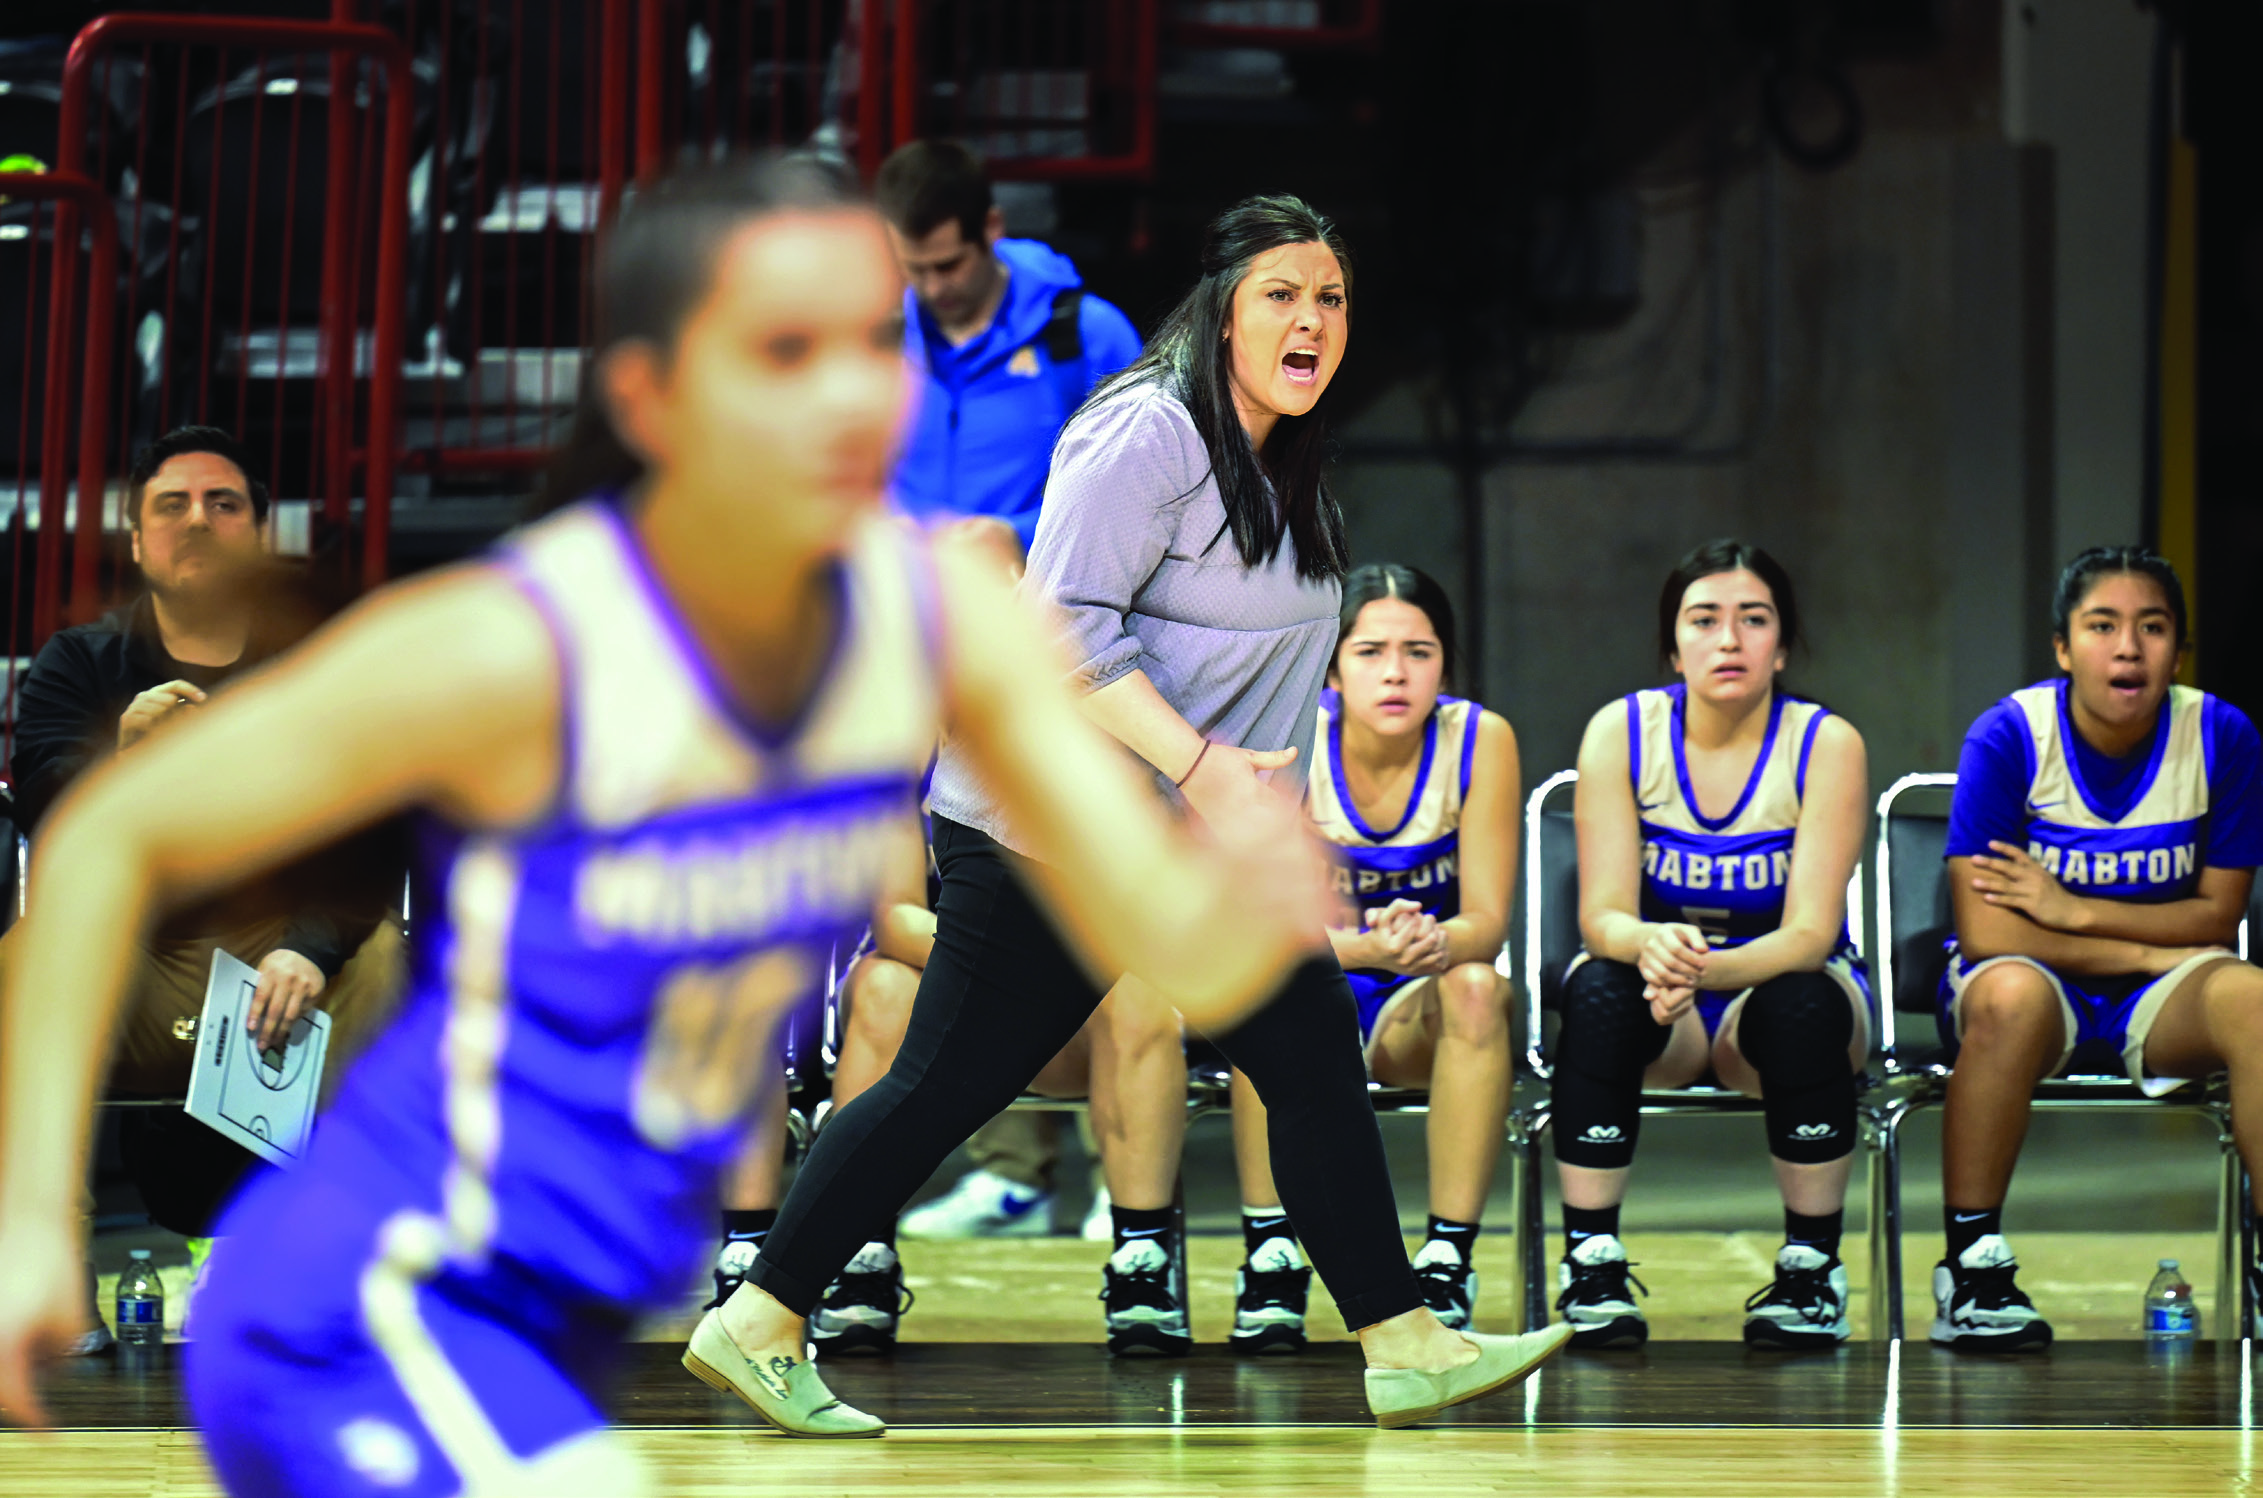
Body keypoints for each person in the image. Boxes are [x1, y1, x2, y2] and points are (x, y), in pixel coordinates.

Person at [0, 156, 1335, 1493]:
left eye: (870, 347)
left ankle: (766, 1312)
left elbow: (1145, 906)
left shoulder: (944, 624)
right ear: (656, 397)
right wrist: (28, 1212)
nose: (847, 395)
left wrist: (1241, 879)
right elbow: (107, 843)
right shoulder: (506, 644)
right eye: (784, 353)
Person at [704, 192, 1573, 1433]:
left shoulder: (1285, 459)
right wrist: (1203, 766)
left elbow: (1256, 671)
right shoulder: (1145, 430)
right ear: (1221, 311)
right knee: (943, 1085)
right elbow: (1062, 626)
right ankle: (758, 1316)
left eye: (1330, 298)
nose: (1312, 319)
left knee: (1308, 1051)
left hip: (1180, 845)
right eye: (1281, 294)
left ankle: (1401, 1338)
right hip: (1049, 830)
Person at [6, 425, 406, 1352]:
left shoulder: (320, 659)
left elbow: (375, 821)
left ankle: (344, 1274)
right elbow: (42, 818)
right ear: (137, 538)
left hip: (282, 948)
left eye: (223, 504)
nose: (197, 521)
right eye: (171, 505)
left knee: (383, 958)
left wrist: (310, 946)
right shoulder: (81, 662)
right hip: (137, 958)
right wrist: (121, 759)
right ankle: (49, 1278)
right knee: (20, 964)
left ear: (258, 533)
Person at [1933, 546, 2263, 1351]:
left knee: (2253, 998)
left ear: (2176, 652)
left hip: (2164, 988)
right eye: (2101, 626)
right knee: (2007, 995)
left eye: (2151, 628)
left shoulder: (2221, 734)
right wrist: (2143, 952)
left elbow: (2217, 915)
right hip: (2036, 978)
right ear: (2061, 647)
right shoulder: (2007, 735)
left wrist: (2071, 910)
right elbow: (1986, 933)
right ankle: (1971, 1270)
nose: (2127, 649)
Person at [1551, 540, 1870, 1350]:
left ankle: (1810, 1268)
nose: (1728, 639)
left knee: (1802, 1005)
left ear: (1782, 645)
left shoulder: (1826, 742)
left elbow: (1809, 935)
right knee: (1595, 990)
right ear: (1671, 645)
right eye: (1703, 620)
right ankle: (1590, 1263)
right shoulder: (1619, 731)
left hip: (1772, 996)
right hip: (1664, 1009)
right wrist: (1651, 948)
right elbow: (1603, 916)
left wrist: (1697, 968)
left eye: (1752, 619)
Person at [1222, 563, 1519, 1350]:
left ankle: (1447, 1258)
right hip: (1313, 978)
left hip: (1412, 995)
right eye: (1370, 651)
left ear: (1444, 666)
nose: (1395, 673)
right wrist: (1365, 945)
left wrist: (1432, 941)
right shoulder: (1288, 735)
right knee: (1260, 988)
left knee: (1479, 987)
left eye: (1418, 652)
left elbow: (1487, 922)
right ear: (1330, 668)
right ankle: (1270, 1253)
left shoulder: (1479, 739)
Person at [878, 138, 1143, 553]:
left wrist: (1019, 537)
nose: (932, 288)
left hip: (1033, 589)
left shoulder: (1090, 335)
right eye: (914, 268)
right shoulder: (869, 336)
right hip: (893, 586)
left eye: (949, 265)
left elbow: (1139, 491)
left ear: (992, 227)